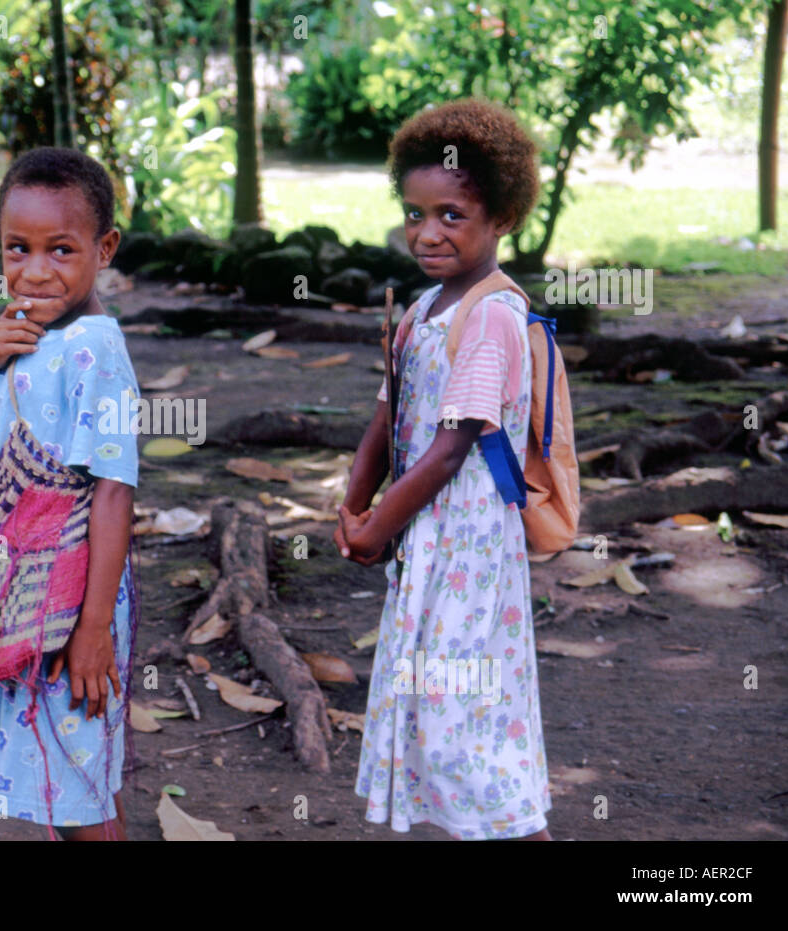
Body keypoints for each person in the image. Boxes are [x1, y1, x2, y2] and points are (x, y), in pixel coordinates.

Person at [335, 99, 552, 840]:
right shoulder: (420, 306)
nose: (427, 232)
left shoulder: (492, 315)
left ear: (501, 217)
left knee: (464, 726)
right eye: (415, 213)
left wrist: (377, 527)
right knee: (435, 715)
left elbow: (451, 446)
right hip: (423, 541)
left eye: (451, 215)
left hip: (468, 549)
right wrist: (353, 506)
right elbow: (386, 418)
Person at [0, 147, 138, 840]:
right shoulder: (22, 335)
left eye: (61, 249)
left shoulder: (94, 350)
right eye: (18, 248)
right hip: (13, 602)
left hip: (67, 607)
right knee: (60, 781)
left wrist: (95, 630)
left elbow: (113, 494)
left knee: (78, 789)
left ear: (104, 249)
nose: (35, 270)